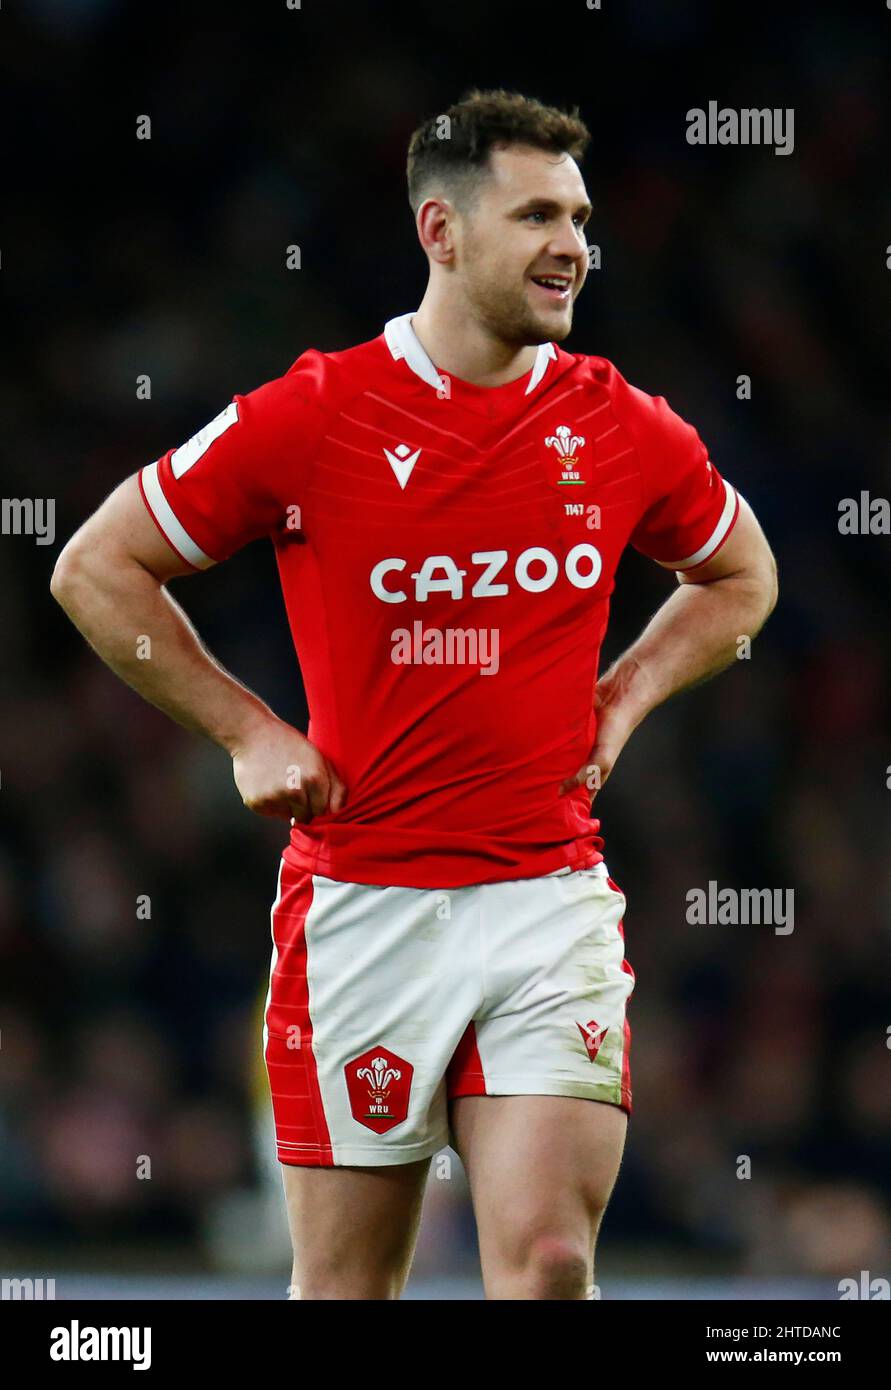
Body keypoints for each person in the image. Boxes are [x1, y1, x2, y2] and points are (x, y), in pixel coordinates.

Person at [51, 88, 777, 1300]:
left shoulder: (619, 425)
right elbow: (95, 565)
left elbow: (741, 572)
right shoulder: (315, 414)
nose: (572, 245)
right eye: (538, 212)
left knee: (547, 1263)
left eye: (583, 218)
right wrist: (247, 730)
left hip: (549, 900)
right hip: (362, 910)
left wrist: (628, 693)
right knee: (348, 1288)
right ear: (440, 230)